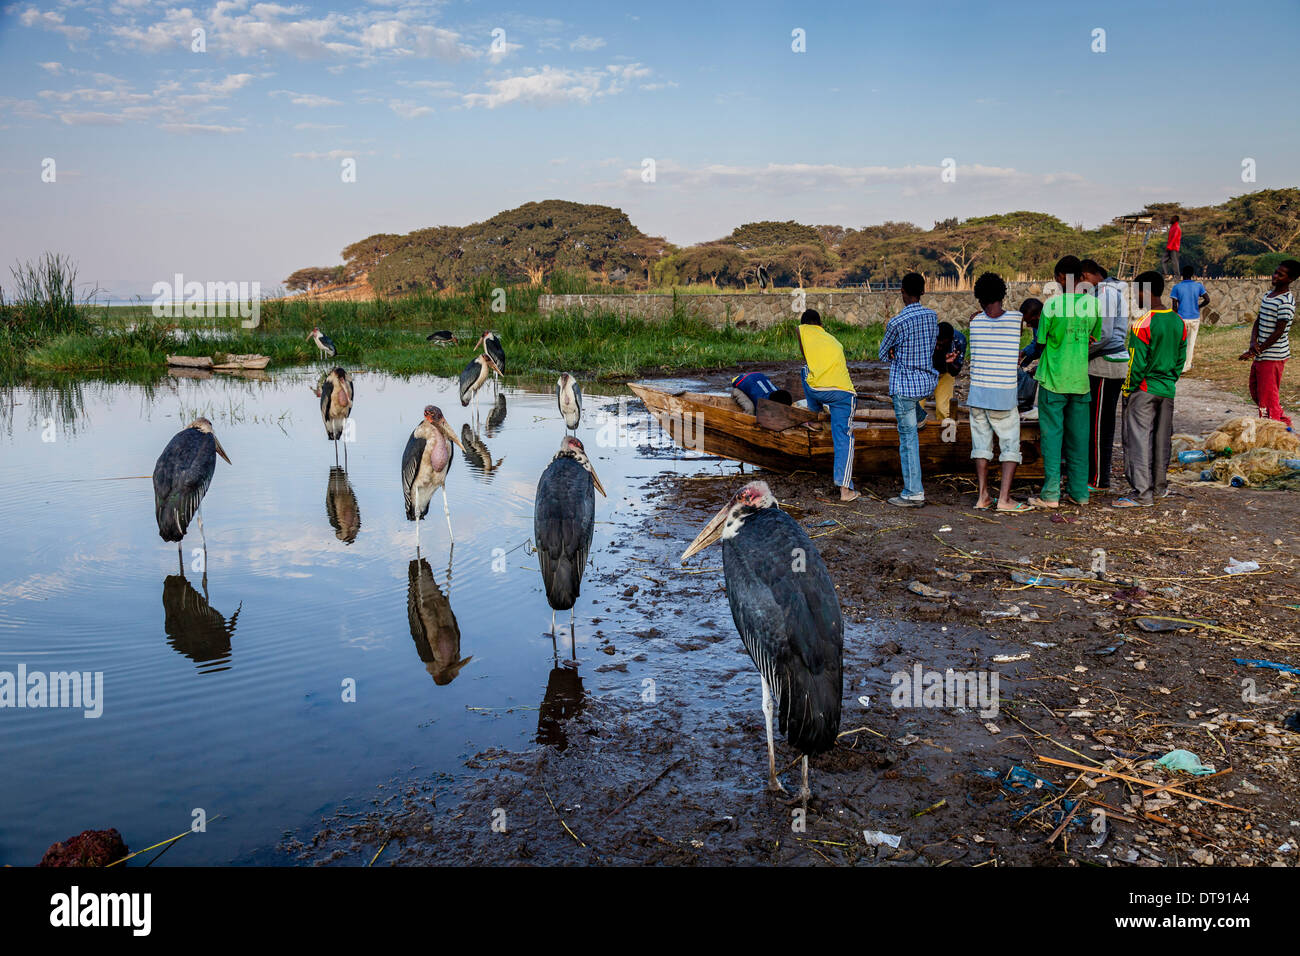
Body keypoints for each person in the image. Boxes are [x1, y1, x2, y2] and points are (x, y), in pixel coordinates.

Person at [1028, 256, 1104, 509]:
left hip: (1053, 380)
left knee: (1052, 438)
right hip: (1080, 380)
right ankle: (1080, 492)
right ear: (1080, 277)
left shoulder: (1051, 306)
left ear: (1060, 277)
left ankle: (1050, 494)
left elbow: (1040, 344)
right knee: (1079, 439)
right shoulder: (1093, 306)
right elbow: (1094, 338)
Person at [1115, 271, 1188, 508]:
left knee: (1138, 441)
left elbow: (1136, 363)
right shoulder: (1178, 321)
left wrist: (1127, 389)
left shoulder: (1142, 323)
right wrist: (1169, 380)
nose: (1135, 297)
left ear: (1145, 291)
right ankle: (1159, 488)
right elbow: (1180, 359)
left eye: (1136, 291)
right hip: (1167, 389)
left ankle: (1142, 494)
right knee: (1161, 440)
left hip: (1144, 389)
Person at [966, 273, 1030, 512]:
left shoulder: (974, 321)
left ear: (979, 297)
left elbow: (981, 317)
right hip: (1003, 395)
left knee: (981, 446)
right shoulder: (1017, 319)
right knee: (1010, 446)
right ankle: (1004, 499)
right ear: (1003, 294)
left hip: (978, 395)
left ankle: (982, 495)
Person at [878, 273, 938, 507]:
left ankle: (914, 492)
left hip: (904, 385)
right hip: (926, 383)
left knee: (908, 440)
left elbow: (884, 354)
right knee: (912, 421)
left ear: (903, 292)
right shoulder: (932, 316)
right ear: (922, 291)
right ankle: (921, 417)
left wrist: (895, 352)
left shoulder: (896, 322)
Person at [797, 309, 860, 501]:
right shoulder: (834, 341)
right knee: (844, 439)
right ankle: (845, 491)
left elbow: (807, 359)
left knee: (805, 370)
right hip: (843, 395)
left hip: (817, 390)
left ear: (806, 324)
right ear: (821, 325)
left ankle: (814, 415)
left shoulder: (802, 331)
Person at [1080, 259, 1129, 494]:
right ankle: (1095, 475)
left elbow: (1104, 335)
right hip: (1103, 363)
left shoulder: (1106, 293)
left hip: (1105, 365)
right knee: (1098, 422)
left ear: (1088, 275)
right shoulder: (1104, 292)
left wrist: (1080, 353)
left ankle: (1099, 479)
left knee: (1100, 424)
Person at [1238, 259, 1299, 427]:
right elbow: (1259, 319)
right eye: (1276, 272)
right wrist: (1253, 342)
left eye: (1281, 274)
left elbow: (1279, 332)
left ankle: (1272, 427)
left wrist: (1256, 350)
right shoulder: (1268, 295)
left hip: (1273, 356)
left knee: (1267, 397)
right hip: (1261, 354)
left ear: (1290, 279)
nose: (1275, 276)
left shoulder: (1286, 301)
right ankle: (1282, 423)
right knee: (1256, 391)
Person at [1169, 265, 1209, 372]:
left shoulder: (1176, 287)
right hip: (1194, 318)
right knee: (1191, 343)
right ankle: (1187, 366)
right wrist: (1199, 306)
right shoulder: (1198, 286)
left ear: (1182, 274)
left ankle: (1178, 365)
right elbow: (1207, 299)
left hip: (1181, 319)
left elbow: (1174, 306)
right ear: (1192, 275)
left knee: (1180, 343)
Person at [927, 321, 967, 424]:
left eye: (942, 344)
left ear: (950, 340)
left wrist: (949, 363)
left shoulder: (959, 341)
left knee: (943, 410)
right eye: (937, 343)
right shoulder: (926, 335)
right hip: (924, 372)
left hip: (946, 373)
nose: (938, 347)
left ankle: (944, 437)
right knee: (916, 408)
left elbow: (955, 371)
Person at [1017, 297, 1043, 418]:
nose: (1028, 325)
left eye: (1030, 322)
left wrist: (1040, 367)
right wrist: (1024, 353)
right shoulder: (1037, 325)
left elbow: (1054, 352)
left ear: (1038, 316)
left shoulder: (1053, 326)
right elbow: (1037, 344)